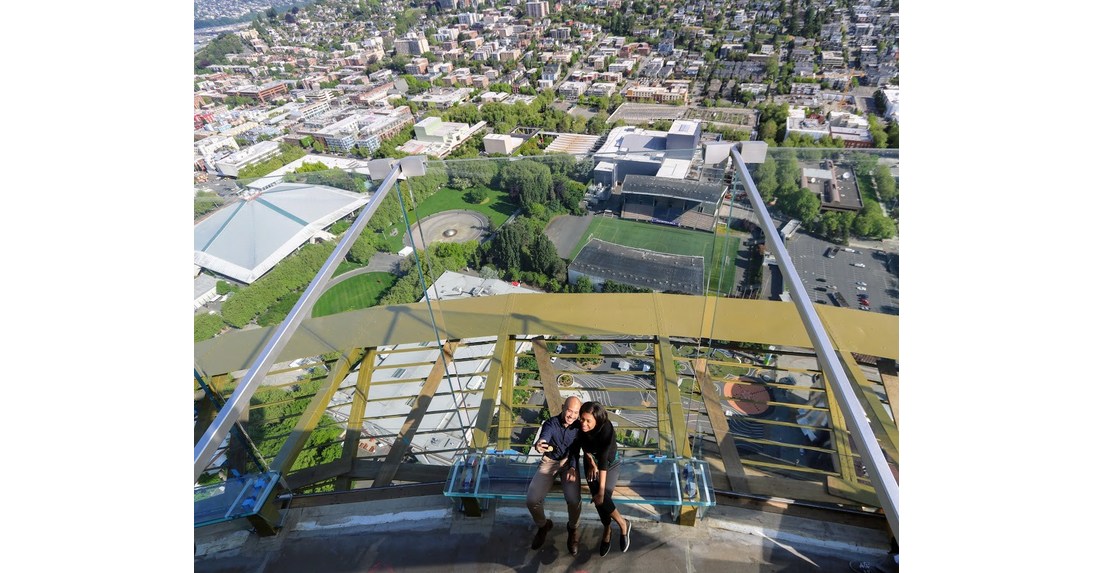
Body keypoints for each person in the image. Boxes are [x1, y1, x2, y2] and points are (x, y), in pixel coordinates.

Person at [573, 401, 633, 557]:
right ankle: (613, 526)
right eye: (582, 419)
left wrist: (600, 491)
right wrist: (591, 461)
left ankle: (618, 525)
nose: (583, 423)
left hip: (609, 465)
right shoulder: (580, 426)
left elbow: (604, 461)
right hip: (591, 464)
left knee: (603, 495)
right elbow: (583, 446)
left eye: (588, 421)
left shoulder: (606, 430)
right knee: (600, 498)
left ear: (597, 421)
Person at [526, 395, 583, 554]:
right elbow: (544, 437)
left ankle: (572, 530)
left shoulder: (578, 427)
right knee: (532, 500)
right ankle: (543, 526)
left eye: (575, 412)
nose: (571, 416)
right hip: (549, 461)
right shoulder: (551, 423)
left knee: (574, 500)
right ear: (563, 408)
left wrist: (572, 467)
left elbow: (575, 451)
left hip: (568, 463)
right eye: (569, 411)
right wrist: (540, 445)